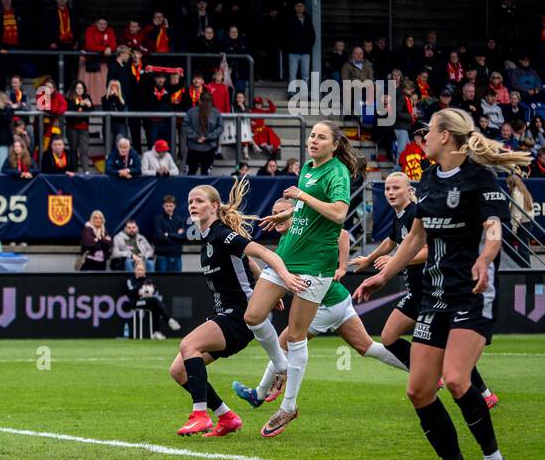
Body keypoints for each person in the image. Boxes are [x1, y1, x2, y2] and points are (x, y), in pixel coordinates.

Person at [355, 109, 529, 460]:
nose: (422, 138)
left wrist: (485, 258)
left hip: (471, 292)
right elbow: (415, 237)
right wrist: (381, 276)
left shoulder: (481, 179)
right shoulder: (430, 179)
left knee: (455, 378)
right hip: (434, 296)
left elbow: (493, 230)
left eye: (427, 132)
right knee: (418, 390)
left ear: (446, 136)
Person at [243, 120, 360, 438]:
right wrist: (286, 213)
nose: (313, 141)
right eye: (312, 135)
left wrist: (302, 199)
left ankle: (288, 407)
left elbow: (338, 214)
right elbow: (304, 208)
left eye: (321, 137)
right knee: (253, 315)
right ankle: (280, 367)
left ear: (334, 144)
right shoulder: (308, 167)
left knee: (296, 335)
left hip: (316, 263)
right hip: (289, 253)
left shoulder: (338, 173)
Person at [234, 202, 409, 410]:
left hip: (327, 303)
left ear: (295, 217)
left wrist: (342, 267)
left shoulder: (308, 234)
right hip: (339, 301)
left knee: (286, 341)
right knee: (368, 347)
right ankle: (419, 370)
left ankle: (261, 393)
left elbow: (343, 234)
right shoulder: (288, 241)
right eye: (274, 213)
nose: (277, 217)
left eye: (282, 213)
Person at [345, 175, 497, 407]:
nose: (391, 192)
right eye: (387, 188)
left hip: (432, 291)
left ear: (409, 190)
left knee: (446, 347)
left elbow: (428, 250)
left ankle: (484, 395)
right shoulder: (401, 217)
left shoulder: (417, 213)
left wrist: (396, 260)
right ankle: (431, 376)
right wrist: (369, 258)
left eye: (396, 188)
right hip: (416, 292)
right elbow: (391, 241)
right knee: (388, 337)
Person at [170, 180, 306, 437]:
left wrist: (283, 279)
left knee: (188, 345)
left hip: (238, 317)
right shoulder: (208, 237)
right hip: (225, 314)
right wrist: (264, 291)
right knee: (178, 371)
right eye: (190, 202)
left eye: (199, 201)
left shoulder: (223, 234)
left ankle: (200, 415)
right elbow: (251, 263)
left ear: (214, 206)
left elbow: (265, 254)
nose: (193, 205)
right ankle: (226, 417)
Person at [128, 259, 178, 339]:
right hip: (135, 302)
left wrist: (149, 292)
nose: (140, 271)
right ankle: (168, 319)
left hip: (147, 301)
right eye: (138, 269)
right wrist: (140, 287)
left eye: (142, 269)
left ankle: (156, 332)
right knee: (154, 300)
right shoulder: (130, 280)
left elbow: (155, 289)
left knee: (156, 308)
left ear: (144, 271)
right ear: (135, 270)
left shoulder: (148, 280)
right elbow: (130, 291)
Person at [183, 89, 222, 175]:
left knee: (192, 173)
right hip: (199, 146)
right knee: (203, 174)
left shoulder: (191, 111)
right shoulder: (215, 113)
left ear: (199, 100)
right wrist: (204, 137)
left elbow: (185, 126)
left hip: (202, 146)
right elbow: (220, 128)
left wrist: (201, 137)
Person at [152, 193, 188, 272]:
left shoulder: (179, 219)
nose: (168, 208)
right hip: (162, 254)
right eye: (166, 206)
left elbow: (183, 237)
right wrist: (176, 236)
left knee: (177, 280)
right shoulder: (158, 219)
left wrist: (168, 234)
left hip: (176, 254)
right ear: (163, 206)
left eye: (171, 206)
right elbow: (159, 236)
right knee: (161, 280)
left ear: (174, 206)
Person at [66, 79, 95, 172]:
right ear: (74, 89)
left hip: (83, 128)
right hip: (72, 127)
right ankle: (74, 171)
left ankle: (86, 171)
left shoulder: (87, 97)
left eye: (81, 88)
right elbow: (69, 110)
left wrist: (89, 105)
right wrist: (79, 105)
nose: (79, 90)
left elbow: (92, 110)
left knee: (84, 150)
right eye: (77, 88)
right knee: (73, 150)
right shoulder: (69, 98)